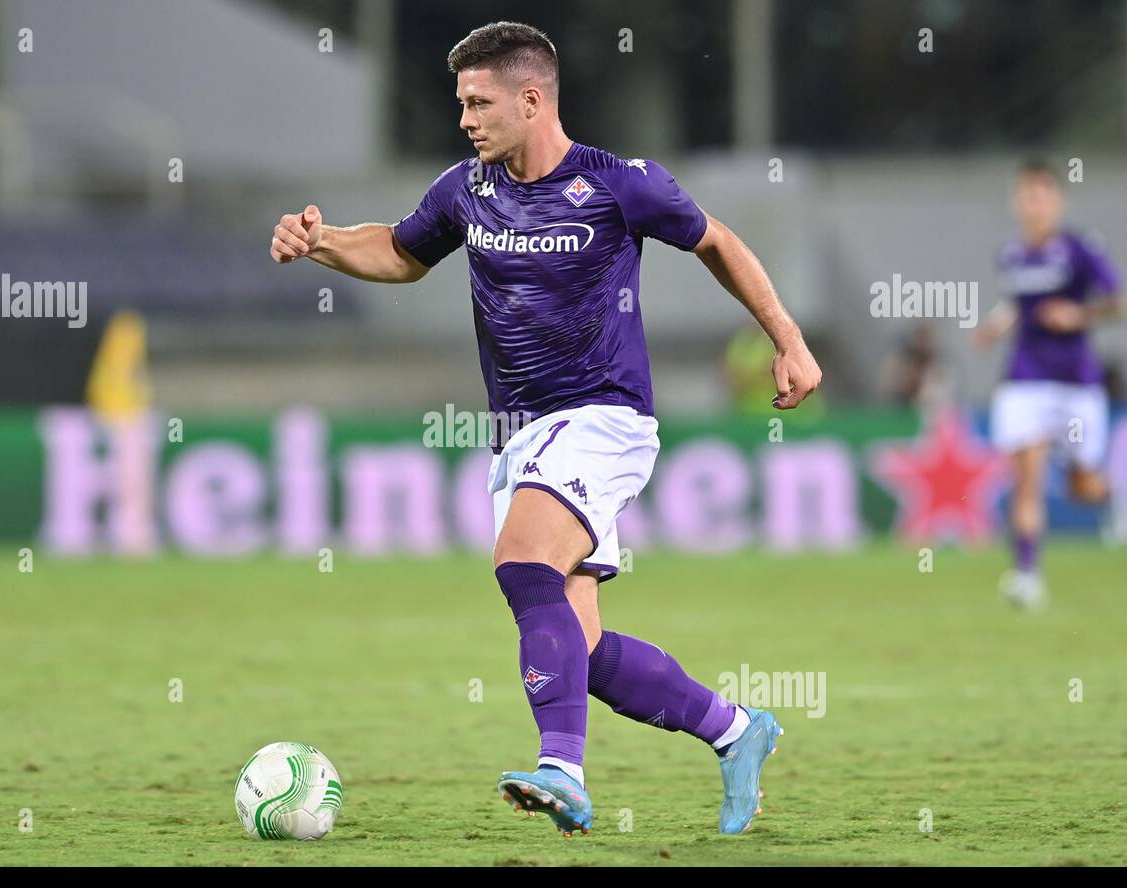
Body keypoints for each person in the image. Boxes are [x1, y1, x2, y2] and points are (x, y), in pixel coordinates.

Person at [270, 22, 822, 836]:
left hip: (604, 417)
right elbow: (399, 250)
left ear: (532, 100)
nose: (465, 118)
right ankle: (738, 731)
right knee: (583, 652)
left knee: (523, 560)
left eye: (479, 101)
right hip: (522, 438)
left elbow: (717, 241)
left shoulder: (617, 183)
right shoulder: (466, 189)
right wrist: (321, 244)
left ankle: (562, 770)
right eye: (462, 102)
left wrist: (788, 336)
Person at [975, 160, 1122, 610]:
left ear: (1057, 200)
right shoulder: (1013, 254)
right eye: (1025, 195)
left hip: (1077, 380)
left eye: (1040, 194)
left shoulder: (1080, 249)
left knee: (1084, 488)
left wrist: (1080, 315)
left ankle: (1110, 496)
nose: (1032, 203)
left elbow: (1117, 300)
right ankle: (1026, 575)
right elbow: (1023, 304)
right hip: (1026, 379)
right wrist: (998, 325)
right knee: (1027, 476)